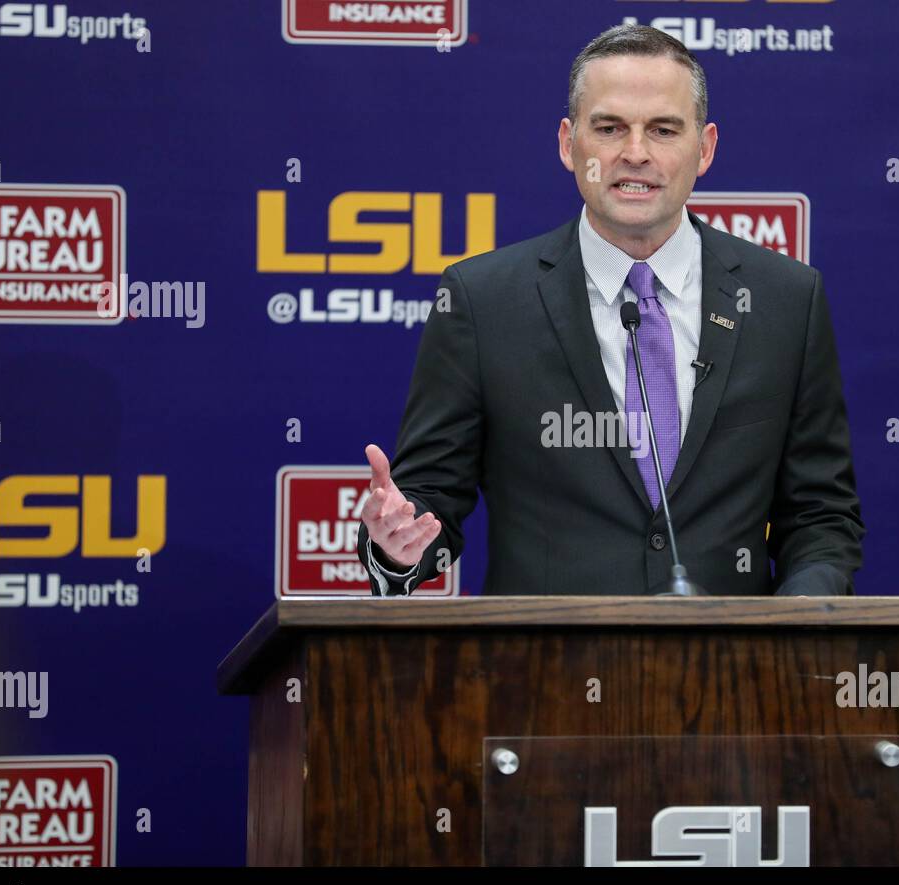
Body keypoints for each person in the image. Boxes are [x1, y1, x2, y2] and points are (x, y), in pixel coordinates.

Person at [356, 24, 864, 597]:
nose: (636, 153)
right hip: (543, 674)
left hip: (731, 675)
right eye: (610, 127)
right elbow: (429, 504)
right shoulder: (482, 301)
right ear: (569, 143)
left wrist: (794, 625)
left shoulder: (786, 300)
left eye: (664, 129)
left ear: (705, 148)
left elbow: (821, 516)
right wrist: (397, 547)